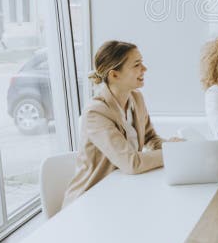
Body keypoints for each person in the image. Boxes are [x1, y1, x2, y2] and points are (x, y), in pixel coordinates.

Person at [63, 40, 182, 207]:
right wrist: (173, 152)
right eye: (137, 65)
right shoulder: (95, 113)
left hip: (121, 190)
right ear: (114, 75)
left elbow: (150, 138)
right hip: (90, 200)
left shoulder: (136, 98)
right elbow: (131, 163)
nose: (144, 69)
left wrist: (173, 146)